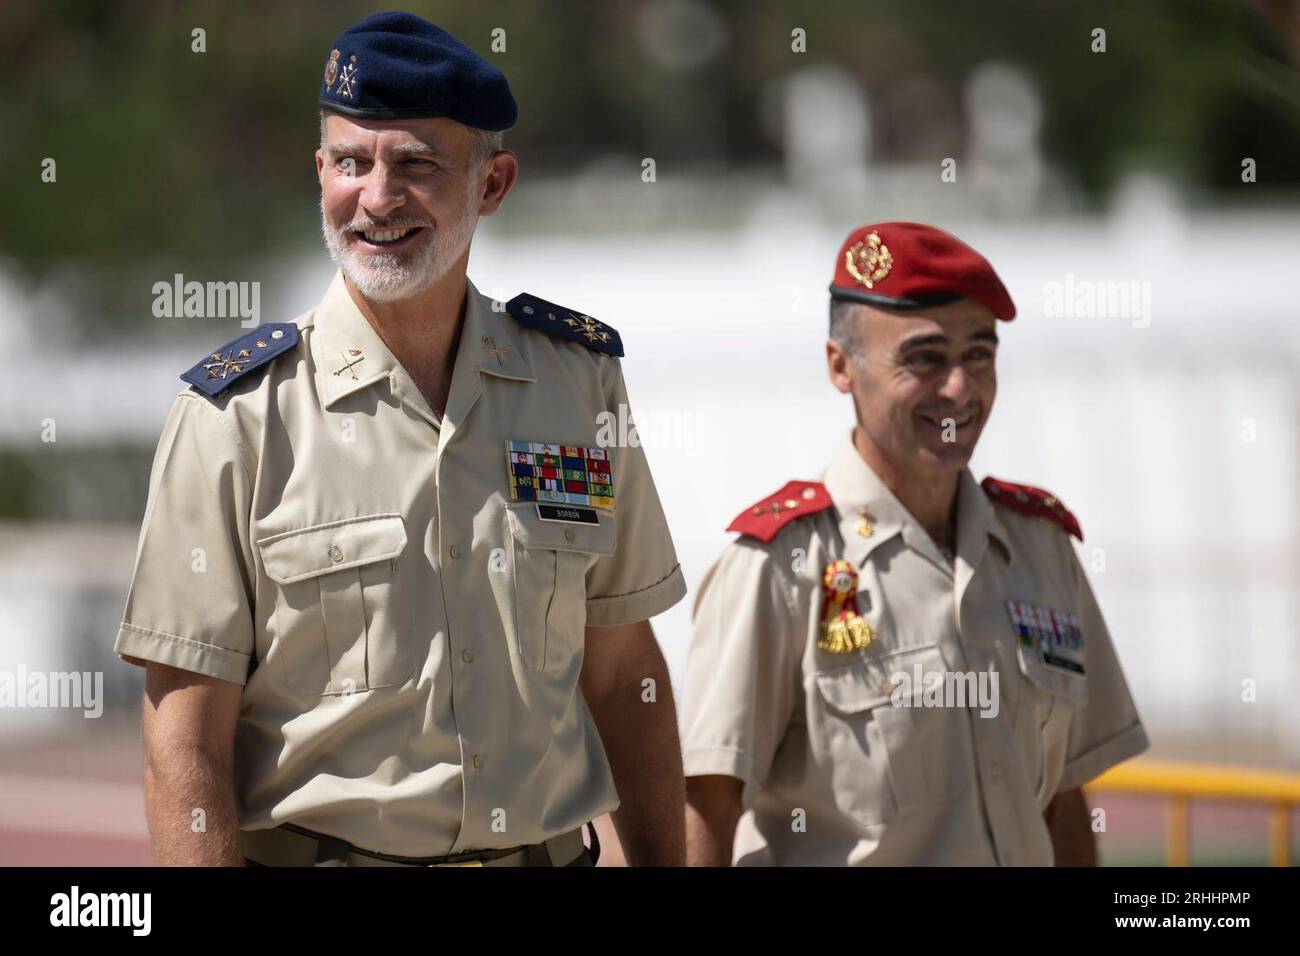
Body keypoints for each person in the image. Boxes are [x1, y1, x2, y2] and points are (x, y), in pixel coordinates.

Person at [114, 11, 687, 867]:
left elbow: (621, 672)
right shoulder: (237, 416)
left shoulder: (578, 385)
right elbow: (184, 732)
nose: (377, 199)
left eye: (416, 165)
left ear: (492, 185)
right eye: (351, 162)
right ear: (321, 174)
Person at [680, 222, 1148, 866]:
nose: (959, 388)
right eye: (924, 358)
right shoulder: (779, 564)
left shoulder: (1042, 549)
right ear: (840, 367)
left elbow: (1063, 799)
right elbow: (705, 802)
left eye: (980, 354)